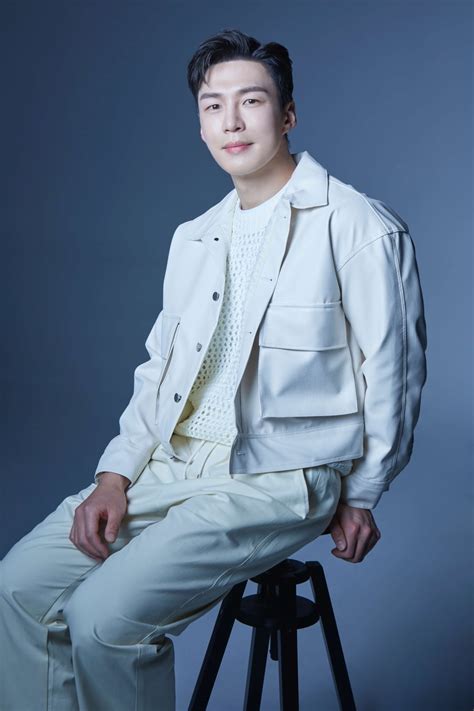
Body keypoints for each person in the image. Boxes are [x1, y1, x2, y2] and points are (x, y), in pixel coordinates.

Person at [0, 27, 427, 711]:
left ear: (287, 114)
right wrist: (114, 475)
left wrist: (363, 492)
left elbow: (394, 379)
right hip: (173, 465)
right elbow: (159, 370)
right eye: (212, 105)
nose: (231, 121)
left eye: (251, 101)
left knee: (105, 621)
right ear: (199, 124)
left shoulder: (358, 226)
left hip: (280, 477)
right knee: (17, 588)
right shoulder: (194, 237)